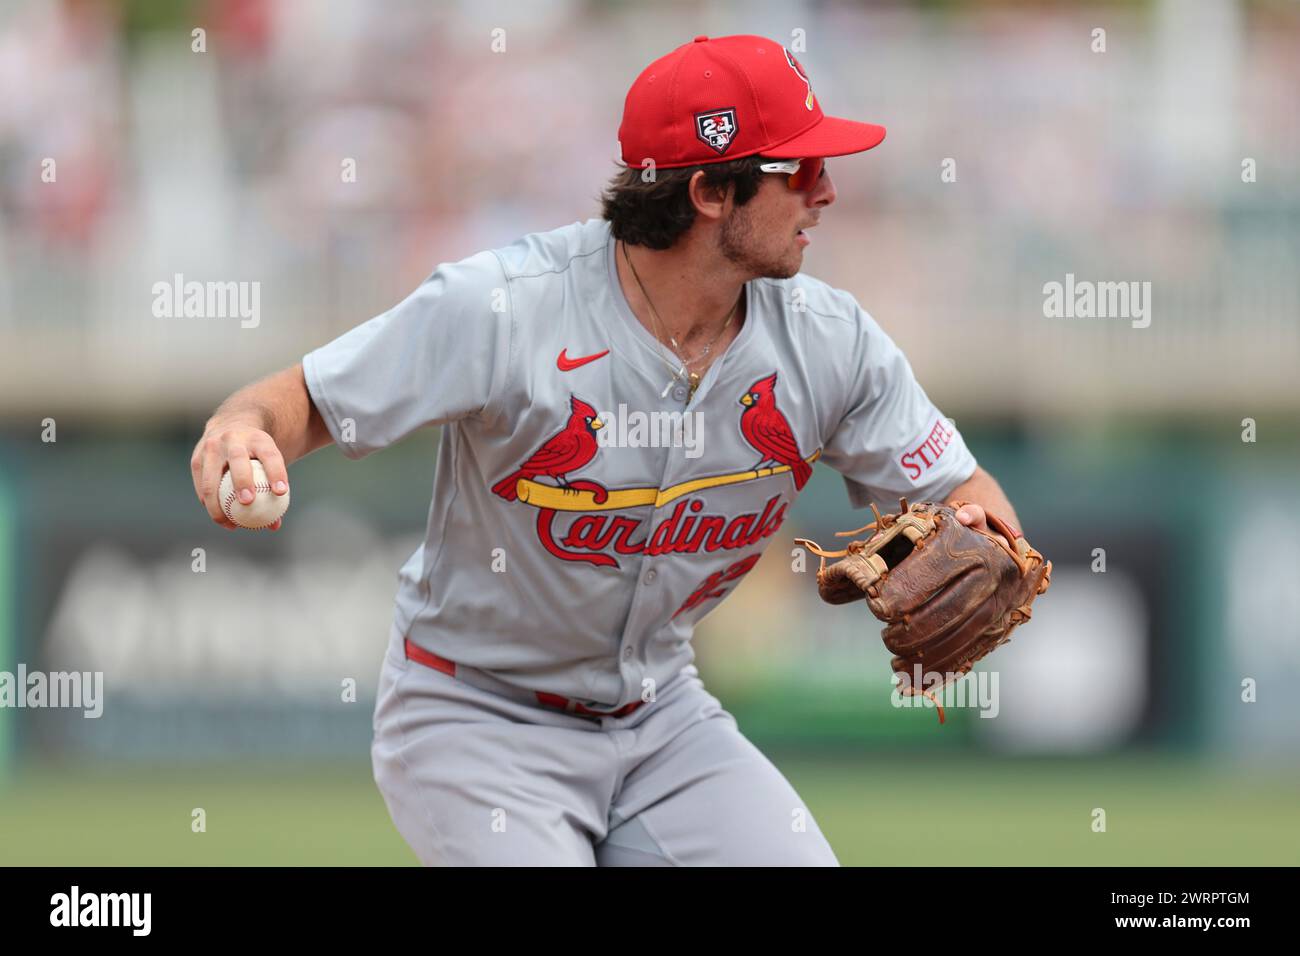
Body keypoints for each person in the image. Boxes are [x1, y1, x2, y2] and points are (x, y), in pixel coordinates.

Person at [190, 34, 1024, 866]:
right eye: (798, 171)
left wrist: (986, 539)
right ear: (708, 191)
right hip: (477, 720)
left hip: (661, 720)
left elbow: (963, 487)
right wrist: (239, 430)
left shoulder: (831, 342)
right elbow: (299, 400)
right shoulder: (504, 309)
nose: (829, 190)